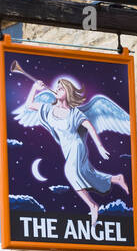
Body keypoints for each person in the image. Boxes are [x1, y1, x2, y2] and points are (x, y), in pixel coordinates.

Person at [15, 76, 130, 225]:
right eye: (57, 88)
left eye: (61, 88)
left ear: (68, 92)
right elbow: (29, 105)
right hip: (66, 149)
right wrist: (35, 89)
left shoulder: (75, 113)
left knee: (70, 171)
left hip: (77, 145)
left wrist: (100, 147)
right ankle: (116, 179)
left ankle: (93, 205)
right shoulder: (48, 108)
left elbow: (89, 126)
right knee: (87, 174)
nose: (57, 90)